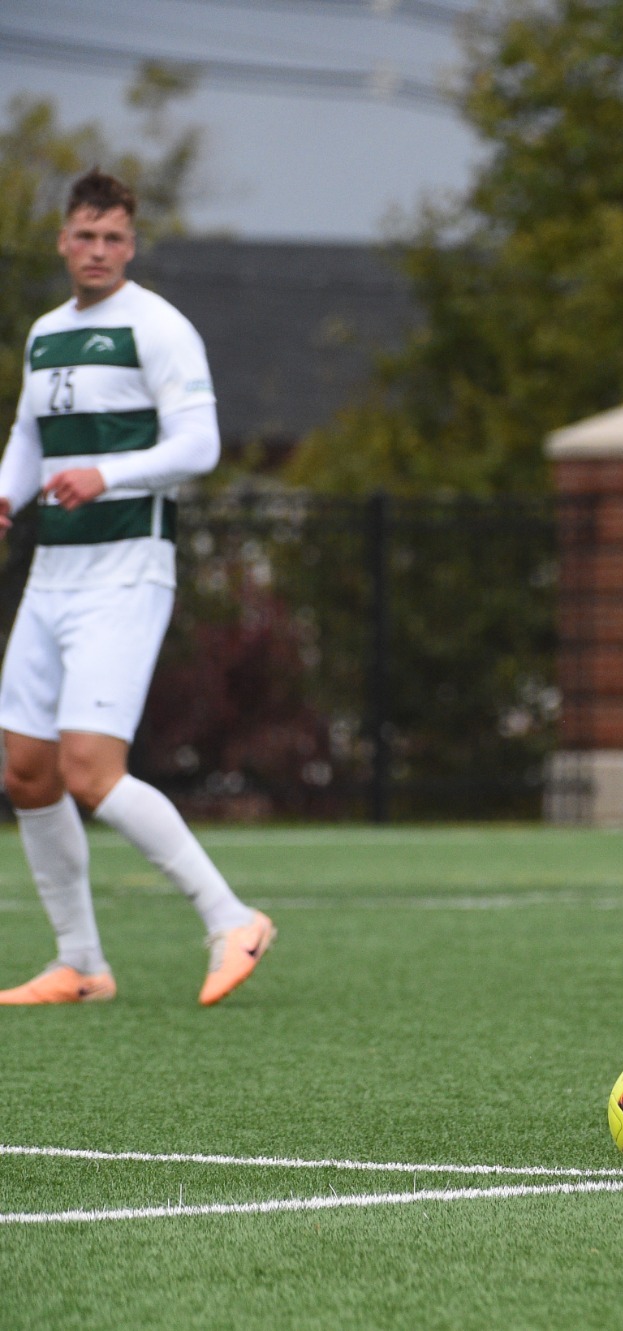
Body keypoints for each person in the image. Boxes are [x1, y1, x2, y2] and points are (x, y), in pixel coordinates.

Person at [0, 169, 274, 1007]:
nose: (98, 250)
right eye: (85, 235)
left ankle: (232, 918)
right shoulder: (47, 332)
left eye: (114, 237)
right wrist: (7, 493)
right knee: (26, 770)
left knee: (89, 768)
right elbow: (27, 434)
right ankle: (80, 962)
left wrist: (108, 473)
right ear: (63, 239)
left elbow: (200, 446)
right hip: (55, 574)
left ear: (132, 242)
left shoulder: (158, 327)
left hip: (127, 572)